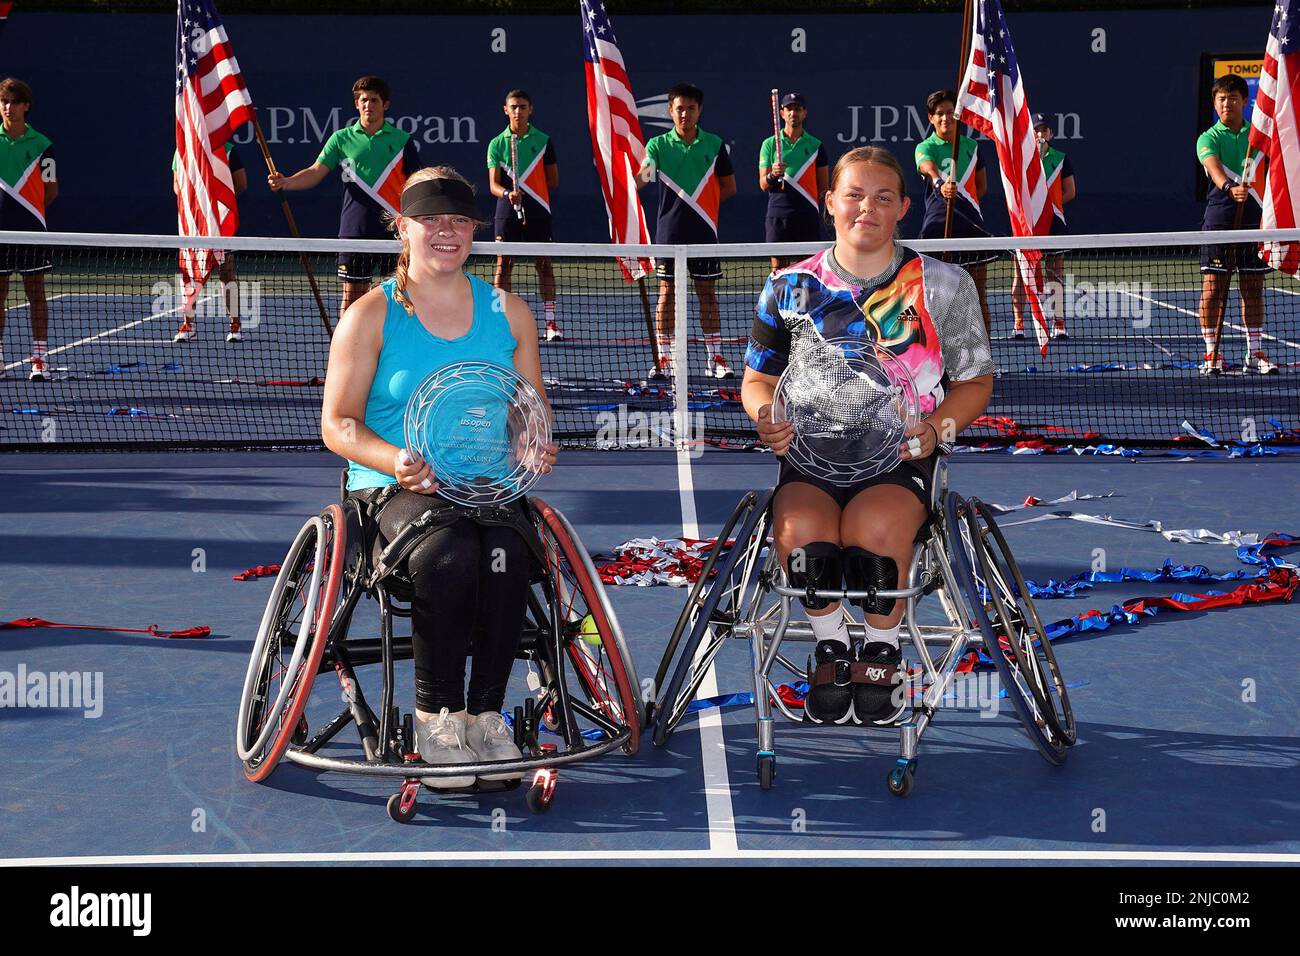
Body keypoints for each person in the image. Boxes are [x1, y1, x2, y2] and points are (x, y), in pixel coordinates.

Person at [321, 166, 559, 787]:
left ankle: (485, 716)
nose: (446, 231)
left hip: (486, 488)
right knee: (449, 556)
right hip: (395, 491)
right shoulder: (370, 315)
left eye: (459, 220)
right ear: (402, 227)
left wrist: (531, 439)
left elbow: (528, 405)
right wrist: (394, 458)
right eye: (430, 219)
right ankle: (436, 719)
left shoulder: (508, 312)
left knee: (508, 554)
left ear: (474, 230)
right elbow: (338, 425)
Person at [743, 146, 994, 726]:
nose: (867, 208)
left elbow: (975, 382)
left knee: (872, 533)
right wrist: (764, 417)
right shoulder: (788, 286)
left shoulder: (945, 286)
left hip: (902, 457)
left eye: (883, 198)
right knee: (802, 535)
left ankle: (882, 649)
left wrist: (938, 429)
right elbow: (757, 381)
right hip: (810, 459)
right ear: (830, 202)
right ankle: (830, 645)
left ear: (905, 207)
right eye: (854, 195)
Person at [268, 76, 420, 321]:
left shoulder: (402, 140)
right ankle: (347, 351)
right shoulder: (341, 139)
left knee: (396, 295)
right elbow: (316, 171)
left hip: (393, 230)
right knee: (352, 296)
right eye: (363, 100)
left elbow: (416, 182)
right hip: (354, 230)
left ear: (385, 105)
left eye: (373, 100)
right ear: (356, 105)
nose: (368, 105)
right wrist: (287, 182)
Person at [636, 82, 737, 380]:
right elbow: (642, 179)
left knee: (707, 294)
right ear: (670, 111)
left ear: (699, 110)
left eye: (690, 109)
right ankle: (664, 359)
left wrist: (701, 204)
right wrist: (624, 177)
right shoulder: (657, 145)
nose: (685, 114)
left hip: (704, 232)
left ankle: (715, 358)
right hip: (669, 234)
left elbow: (729, 188)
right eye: (679, 109)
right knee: (667, 293)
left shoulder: (715, 144)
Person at [1196, 74, 1276, 375]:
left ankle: (1254, 353)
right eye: (1220, 99)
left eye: (1232, 98)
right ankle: (1210, 355)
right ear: (1215, 104)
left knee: (1253, 287)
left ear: (1245, 101)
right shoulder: (1208, 137)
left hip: (1255, 221)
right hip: (1220, 220)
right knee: (1213, 287)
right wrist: (1229, 186)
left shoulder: (1259, 137)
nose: (1226, 103)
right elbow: (1214, 169)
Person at [914, 89, 995, 335]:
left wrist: (964, 203)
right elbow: (926, 166)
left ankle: (986, 364)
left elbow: (981, 187)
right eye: (939, 114)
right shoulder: (925, 147)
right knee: (939, 299)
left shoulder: (971, 146)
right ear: (931, 118)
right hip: (938, 231)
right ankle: (943, 363)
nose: (945, 118)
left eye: (950, 113)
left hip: (971, 229)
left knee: (978, 297)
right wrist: (940, 183)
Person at [487, 89, 562, 341]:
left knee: (544, 265)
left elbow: (553, 180)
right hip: (507, 211)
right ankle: (499, 323)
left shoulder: (543, 140)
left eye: (522, 106)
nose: (518, 111)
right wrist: (508, 193)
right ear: (505, 110)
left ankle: (551, 324)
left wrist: (532, 192)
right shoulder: (496, 143)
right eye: (513, 107)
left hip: (538, 210)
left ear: (531, 109)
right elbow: (493, 185)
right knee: (503, 266)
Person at [0, 77, 57, 381]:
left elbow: (51, 191)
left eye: (13, 102)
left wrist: (28, 212)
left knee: (35, 292)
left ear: (26, 106)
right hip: (0, 236)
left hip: (31, 231)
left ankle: (39, 358)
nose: (8, 108)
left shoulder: (42, 145)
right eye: (3, 102)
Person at [171, 142, 248, 343]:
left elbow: (241, 184)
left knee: (226, 272)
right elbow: (177, 186)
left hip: (220, 221)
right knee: (190, 273)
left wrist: (217, 203)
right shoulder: (183, 148)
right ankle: (188, 325)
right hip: (194, 223)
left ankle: (235, 324)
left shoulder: (228, 149)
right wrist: (199, 204)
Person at [1011, 113, 1075, 340]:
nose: (1040, 134)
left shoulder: (1061, 158)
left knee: (1054, 274)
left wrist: (1049, 207)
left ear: (1051, 134)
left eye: (1044, 130)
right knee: (1021, 275)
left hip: (1054, 223)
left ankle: (1059, 323)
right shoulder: (1021, 158)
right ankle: (1019, 324)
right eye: (1036, 130)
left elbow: (1070, 191)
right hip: (1026, 225)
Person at [759, 92, 830, 274]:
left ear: (804, 113)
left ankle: (807, 303)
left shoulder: (816, 145)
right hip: (778, 215)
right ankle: (781, 304)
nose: (793, 113)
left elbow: (823, 185)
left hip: (807, 216)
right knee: (778, 270)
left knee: (808, 270)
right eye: (789, 109)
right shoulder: (769, 144)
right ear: (782, 113)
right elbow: (763, 184)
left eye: (797, 109)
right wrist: (773, 175)